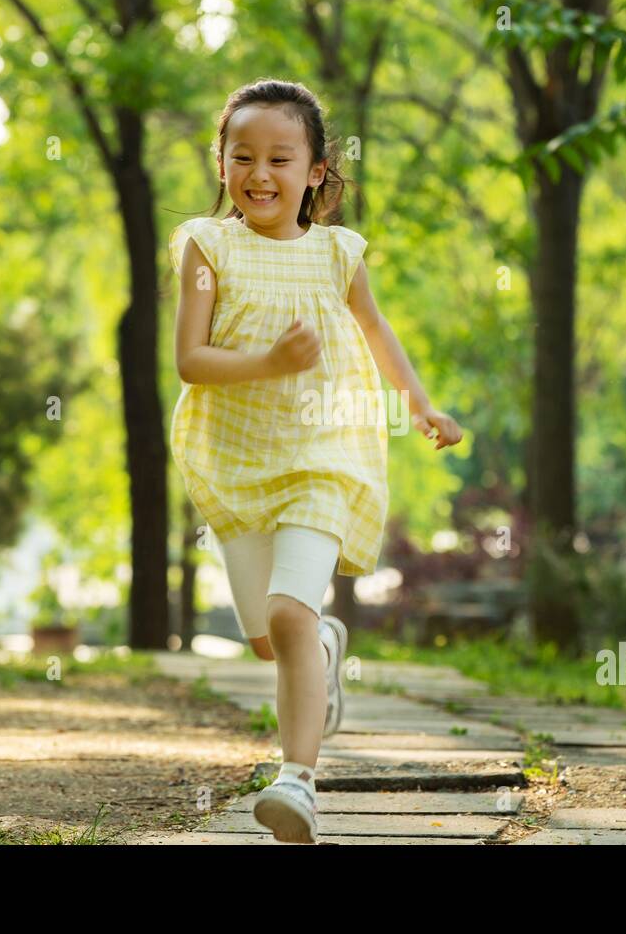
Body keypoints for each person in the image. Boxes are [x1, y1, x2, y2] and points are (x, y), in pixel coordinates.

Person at [169, 78, 463, 843]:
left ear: (316, 171)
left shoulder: (339, 253)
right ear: (222, 162)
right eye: (243, 157)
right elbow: (191, 361)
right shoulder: (206, 247)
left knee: (291, 615)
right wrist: (267, 360)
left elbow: (375, 329)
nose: (259, 174)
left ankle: (296, 780)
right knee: (273, 637)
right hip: (237, 463)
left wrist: (422, 405)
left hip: (328, 454)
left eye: (279, 158)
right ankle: (324, 652)